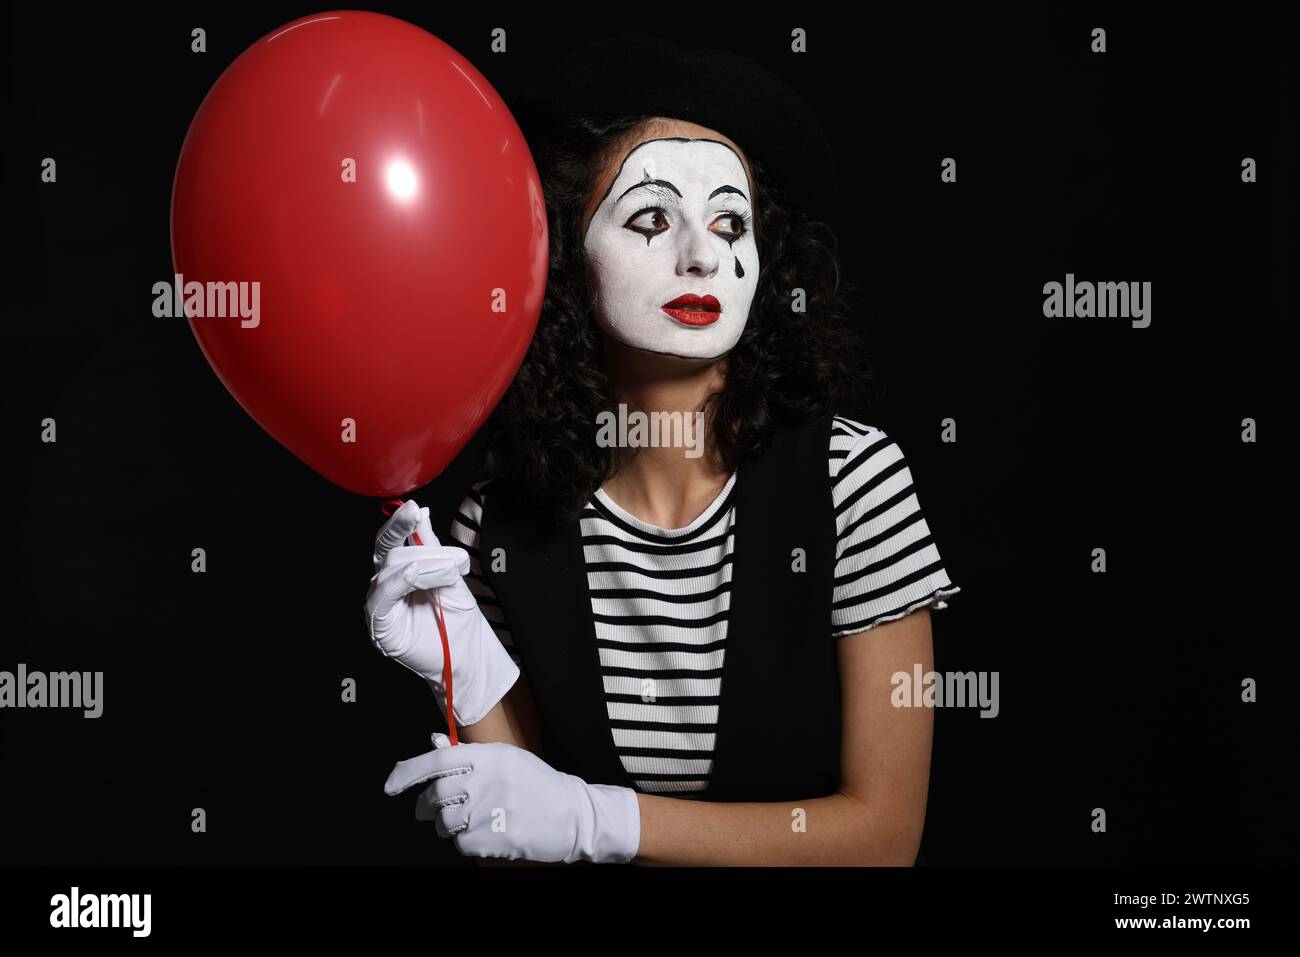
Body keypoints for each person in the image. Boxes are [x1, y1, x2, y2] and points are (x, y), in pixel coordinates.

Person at [364, 35, 960, 866]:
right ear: (568, 254)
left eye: (729, 220)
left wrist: (603, 821)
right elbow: (526, 811)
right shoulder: (491, 525)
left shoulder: (854, 483)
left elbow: (885, 835)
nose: (701, 253)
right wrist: (465, 671)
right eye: (651, 217)